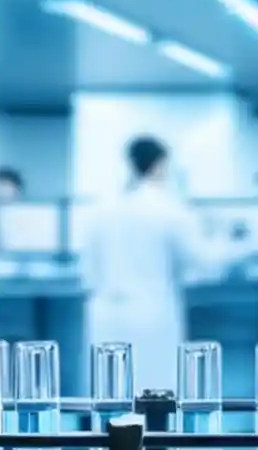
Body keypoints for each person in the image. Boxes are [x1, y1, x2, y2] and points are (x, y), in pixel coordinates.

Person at [82, 137, 233, 392]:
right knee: (153, 396)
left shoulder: (102, 208)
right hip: (150, 314)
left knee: (108, 393)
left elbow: (89, 268)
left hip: (105, 313)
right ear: (160, 165)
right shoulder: (169, 208)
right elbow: (203, 258)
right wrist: (233, 244)